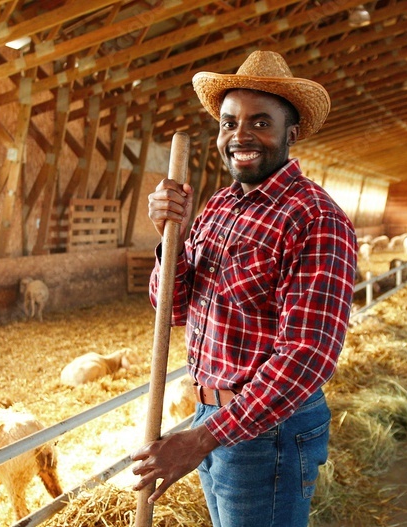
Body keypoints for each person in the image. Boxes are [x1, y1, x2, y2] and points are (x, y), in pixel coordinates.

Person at [132, 50, 358, 527]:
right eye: (229, 123)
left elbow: (307, 357)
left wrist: (202, 438)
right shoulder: (218, 207)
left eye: (260, 122)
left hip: (267, 431)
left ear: (291, 132)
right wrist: (166, 234)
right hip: (210, 417)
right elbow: (169, 307)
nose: (241, 136)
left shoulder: (315, 218)